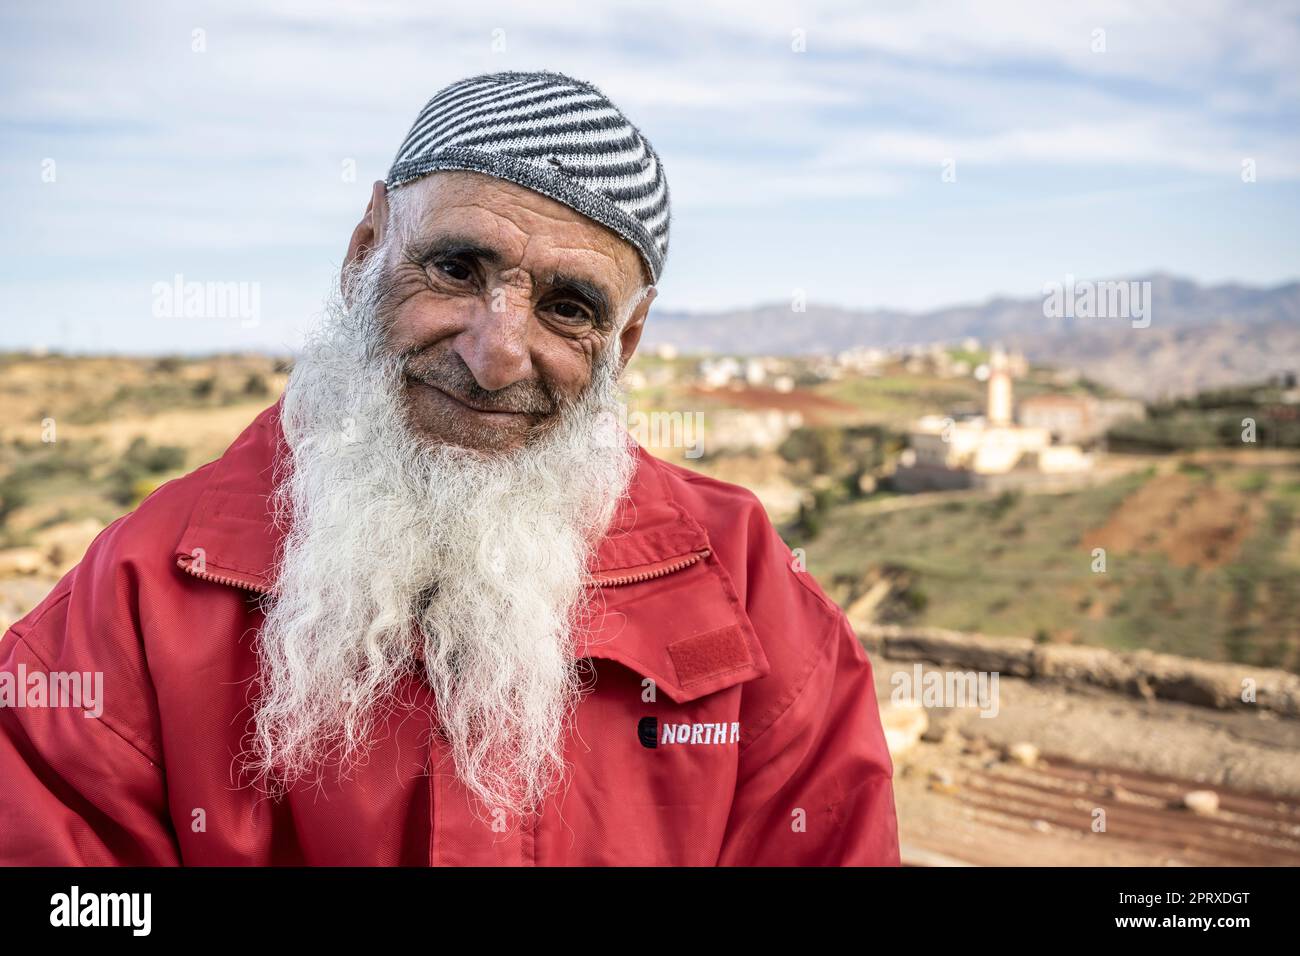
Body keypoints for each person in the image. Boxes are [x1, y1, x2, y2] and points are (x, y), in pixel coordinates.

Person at [0, 70, 898, 865]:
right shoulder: (145, 586)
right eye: (458, 268)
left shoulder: (744, 585)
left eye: (568, 306)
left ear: (623, 342)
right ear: (364, 257)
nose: (496, 354)